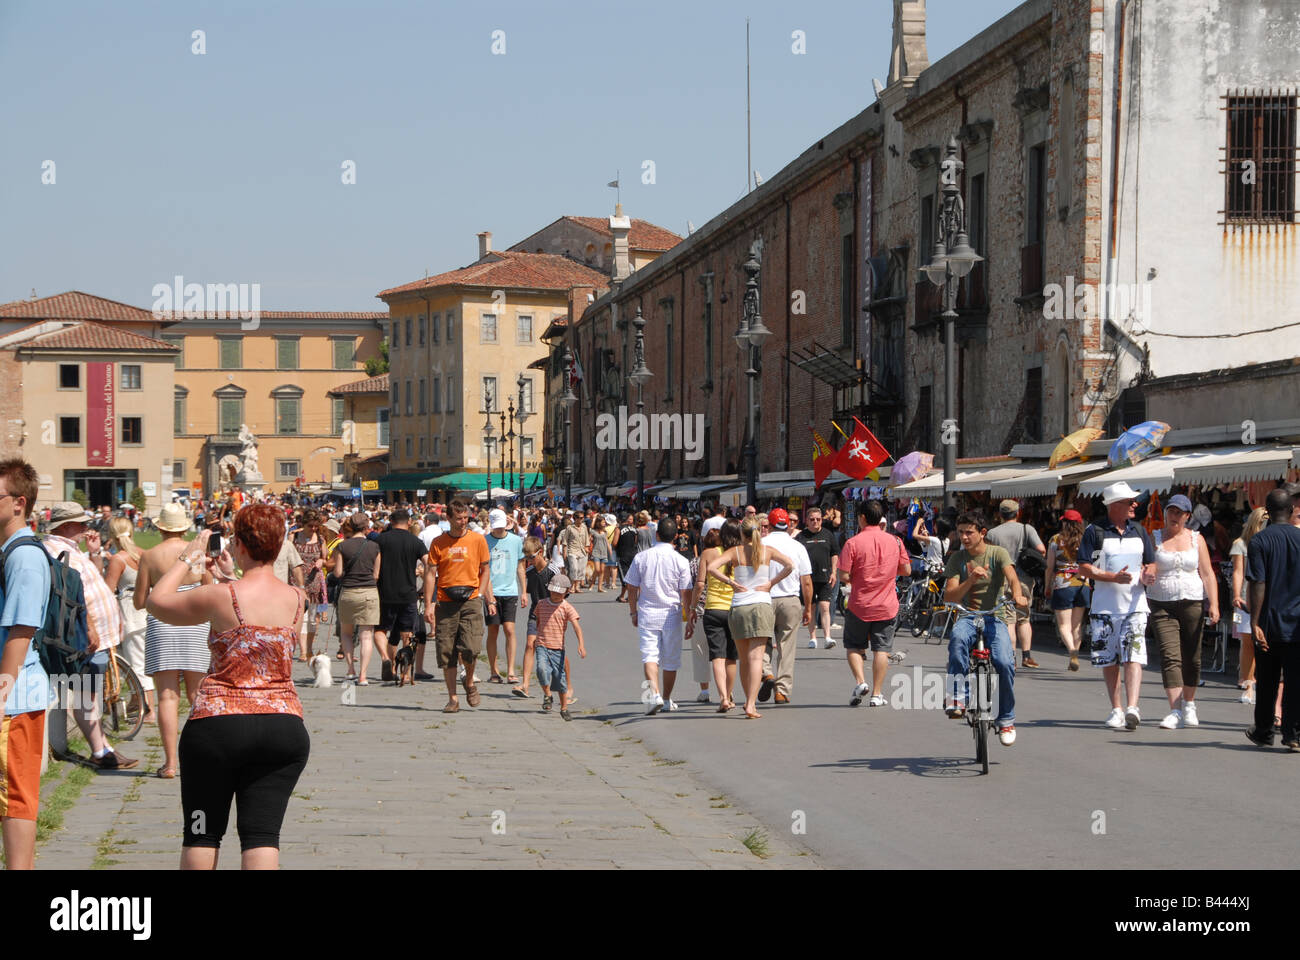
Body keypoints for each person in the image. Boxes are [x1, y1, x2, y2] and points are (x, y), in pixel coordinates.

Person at [146, 506, 310, 869]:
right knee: (262, 837)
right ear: (280, 543)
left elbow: (156, 601)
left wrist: (187, 559)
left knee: (202, 831)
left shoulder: (223, 596)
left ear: (238, 544)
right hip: (282, 727)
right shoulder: (298, 598)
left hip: (219, 728)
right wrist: (222, 574)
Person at [43, 503, 138, 770]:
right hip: (86, 636)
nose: (87, 528)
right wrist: (91, 626)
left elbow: (92, 580)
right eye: (81, 524)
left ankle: (104, 748)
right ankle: (101, 752)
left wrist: (95, 554)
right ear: (65, 527)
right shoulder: (60, 551)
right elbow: (74, 597)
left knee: (90, 694)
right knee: (87, 695)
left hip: (94, 635)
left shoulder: (70, 549)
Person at [0, 459, 52, 869]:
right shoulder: (10, 551)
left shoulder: (23, 556)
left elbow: (22, 628)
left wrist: (1, 691)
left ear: (19, 502)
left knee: (15, 795)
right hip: (13, 695)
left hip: (14, 699)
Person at [136, 501, 211, 779]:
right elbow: (208, 588)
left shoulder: (150, 555)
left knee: (167, 696)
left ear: (159, 527)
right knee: (197, 694)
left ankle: (170, 763)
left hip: (162, 622)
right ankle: (203, 756)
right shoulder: (197, 551)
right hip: (194, 620)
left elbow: (140, 601)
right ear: (184, 527)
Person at [942, 511, 1027, 746]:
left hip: (994, 616)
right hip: (968, 616)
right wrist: (970, 580)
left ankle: (1006, 719)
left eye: (969, 532)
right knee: (958, 641)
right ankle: (958, 697)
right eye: (960, 532)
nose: (964, 537)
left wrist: (1018, 596)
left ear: (982, 533)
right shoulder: (957, 559)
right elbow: (950, 595)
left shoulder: (997, 553)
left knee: (1004, 661)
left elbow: (1012, 578)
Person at [1079, 482, 1157, 730]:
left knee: (1134, 655)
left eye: (1134, 501)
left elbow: (1151, 562)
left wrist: (1148, 576)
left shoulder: (1140, 531)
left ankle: (1133, 707)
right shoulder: (1095, 531)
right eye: (1129, 501)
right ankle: (1116, 709)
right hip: (1104, 607)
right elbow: (1083, 567)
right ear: (1114, 506)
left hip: (1135, 605)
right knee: (1109, 660)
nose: (1135, 505)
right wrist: (1112, 577)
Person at [706, 516, 793, 719]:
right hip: (760, 605)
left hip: (738, 607)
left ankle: (747, 699)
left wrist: (731, 582)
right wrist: (771, 582)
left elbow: (711, 568)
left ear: (741, 534)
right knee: (756, 658)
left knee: (744, 659)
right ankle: (751, 704)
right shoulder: (767, 551)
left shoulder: (734, 552)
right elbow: (790, 565)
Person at [1148, 494, 1219, 730]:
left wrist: (1215, 605)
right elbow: (1146, 566)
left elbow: (1207, 573)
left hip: (1192, 601)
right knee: (1170, 656)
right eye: (1171, 511)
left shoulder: (1196, 539)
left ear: (1188, 516)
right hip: (1161, 601)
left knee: (1192, 657)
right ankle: (1175, 710)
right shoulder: (1155, 537)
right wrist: (1146, 574)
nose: (1174, 516)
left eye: (1179, 512)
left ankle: (1189, 703)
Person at [838, 500, 913, 708]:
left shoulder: (852, 543)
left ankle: (861, 682)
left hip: (859, 604)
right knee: (882, 649)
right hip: (886, 605)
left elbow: (844, 575)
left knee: (854, 645)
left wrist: (859, 577)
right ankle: (877, 693)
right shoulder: (895, 542)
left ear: (862, 517)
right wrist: (887, 574)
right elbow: (906, 570)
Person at [423, 499, 494, 713]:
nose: (463, 522)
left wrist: (482, 594)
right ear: (449, 518)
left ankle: (469, 681)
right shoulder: (438, 542)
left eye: (466, 518)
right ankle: (453, 698)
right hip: (445, 601)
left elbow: (485, 569)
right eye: (459, 519)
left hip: (471, 598)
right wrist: (428, 604)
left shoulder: (477, 540)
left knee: (471, 648)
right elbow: (429, 574)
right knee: (446, 651)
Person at [1245, 487, 1300, 749]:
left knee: (1267, 680)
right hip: (1297, 623)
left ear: (1266, 511)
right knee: (1295, 680)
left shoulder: (1259, 541)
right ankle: (1293, 734)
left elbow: (1258, 582)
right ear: (1291, 511)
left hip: (1267, 622)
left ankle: (1264, 731)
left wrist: (1254, 622)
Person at [624, 517, 696, 715]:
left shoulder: (642, 557)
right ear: (675, 537)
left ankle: (654, 694)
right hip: (671, 613)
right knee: (671, 660)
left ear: (657, 535)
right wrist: (689, 614)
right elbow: (686, 591)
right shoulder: (681, 560)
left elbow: (631, 586)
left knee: (650, 655)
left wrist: (633, 611)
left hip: (647, 611)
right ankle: (665, 698)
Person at [103, 516, 157, 725]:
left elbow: (108, 590)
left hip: (129, 611)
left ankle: (149, 709)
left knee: (136, 662)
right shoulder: (145, 554)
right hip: (147, 608)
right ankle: (138, 701)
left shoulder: (119, 559)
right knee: (139, 659)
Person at [758, 508, 812, 705]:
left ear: (769, 525)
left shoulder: (761, 544)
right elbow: (806, 580)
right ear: (788, 524)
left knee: (762, 640)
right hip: (790, 599)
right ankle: (782, 691)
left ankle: (766, 673)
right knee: (787, 646)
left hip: (764, 598)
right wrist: (808, 607)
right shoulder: (797, 547)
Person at [984, 499, 1046, 669]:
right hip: (1024, 578)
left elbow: (987, 557)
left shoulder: (992, 533)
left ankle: (1012, 658)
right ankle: (1027, 656)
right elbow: (1041, 549)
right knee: (1024, 618)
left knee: (1008, 620)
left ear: (1000, 514)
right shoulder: (1027, 529)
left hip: (1002, 578)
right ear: (1017, 513)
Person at [691, 523, 741, 712]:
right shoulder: (741, 554)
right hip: (734, 607)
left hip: (713, 608)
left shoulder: (708, 553)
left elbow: (700, 584)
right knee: (731, 657)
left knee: (717, 656)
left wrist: (693, 607)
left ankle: (722, 698)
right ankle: (729, 695)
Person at [375, 508, 429, 684]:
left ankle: (387, 661)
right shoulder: (415, 541)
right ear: (408, 522)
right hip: (408, 593)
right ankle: (406, 673)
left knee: (382, 630)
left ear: (391, 521)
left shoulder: (381, 540)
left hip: (384, 593)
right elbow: (429, 563)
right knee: (407, 634)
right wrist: (424, 583)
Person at [333, 512, 381, 684]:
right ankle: (363, 675)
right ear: (367, 527)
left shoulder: (342, 546)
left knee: (346, 633)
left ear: (350, 527)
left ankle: (350, 669)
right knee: (366, 635)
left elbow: (338, 573)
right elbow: (376, 575)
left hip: (349, 592)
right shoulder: (374, 546)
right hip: (369, 591)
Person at [531, 573, 585, 720]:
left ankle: (564, 708)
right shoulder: (541, 604)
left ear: (566, 592)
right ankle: (547, 694)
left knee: (560, 681)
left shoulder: (567, 608)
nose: (555, 594)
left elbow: (576, 626)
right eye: (553, 591)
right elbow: (538, 621)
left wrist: (581, 644)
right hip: (542, 644)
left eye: (559, 592)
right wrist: (536, 638)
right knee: (541, 669)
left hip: (558, 649)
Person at [484, 509, 526, 685]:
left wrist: (524, 591)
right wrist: (489, 597)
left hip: (510, 591)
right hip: (491, 591)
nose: (498, 529)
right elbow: (483, 571)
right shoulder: (484, 541)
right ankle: (493, 670)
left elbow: (521, 567)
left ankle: (510, 670)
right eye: (496, 527)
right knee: (493, 630)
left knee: (510, 629)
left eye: (501, 526)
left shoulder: (516, 541)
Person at [1044, 509, 1090, 671]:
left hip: (1063, 583)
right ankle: (1075, 653)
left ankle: (1072, 652)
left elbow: (1050, 567)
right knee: (1077, 625)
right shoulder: (1086, 539)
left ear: (1065, 523)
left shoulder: (1056, 539)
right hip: (1083, 583)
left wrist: (1047, 586)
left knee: (1064, 625)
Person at [1230, 507, 1268, 705]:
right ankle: (1248, 683)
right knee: (1247, 641)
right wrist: (1237, 595)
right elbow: (1238, 571)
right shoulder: (1241, 544)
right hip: (1246, 599)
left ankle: (1259, 683)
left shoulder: (1271, 542)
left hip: (1268, 598)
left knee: (1264, 642)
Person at [798, 505, 839, 650]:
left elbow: (834, 554)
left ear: (822, 520)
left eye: (818, 519)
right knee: (811, 607)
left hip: (825, 576)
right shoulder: (801, 537)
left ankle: (827, 637)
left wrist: (834, 572)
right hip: (807, 579)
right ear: (807, 521)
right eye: (812, 519)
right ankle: (813, 638)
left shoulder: (828, 535)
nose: (815, 522)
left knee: (825, 606)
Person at [292, 510, 329, 662]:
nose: (313, 528)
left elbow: (325, 558)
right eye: (310, 526)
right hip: (296, 582)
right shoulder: (293, 537)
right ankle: (302, 650)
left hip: (314, 582)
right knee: (301, 616)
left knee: (313, 618)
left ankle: (309, 648)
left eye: (316, 526)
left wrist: (322, 561)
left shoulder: (320, 539)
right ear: (303, 524)